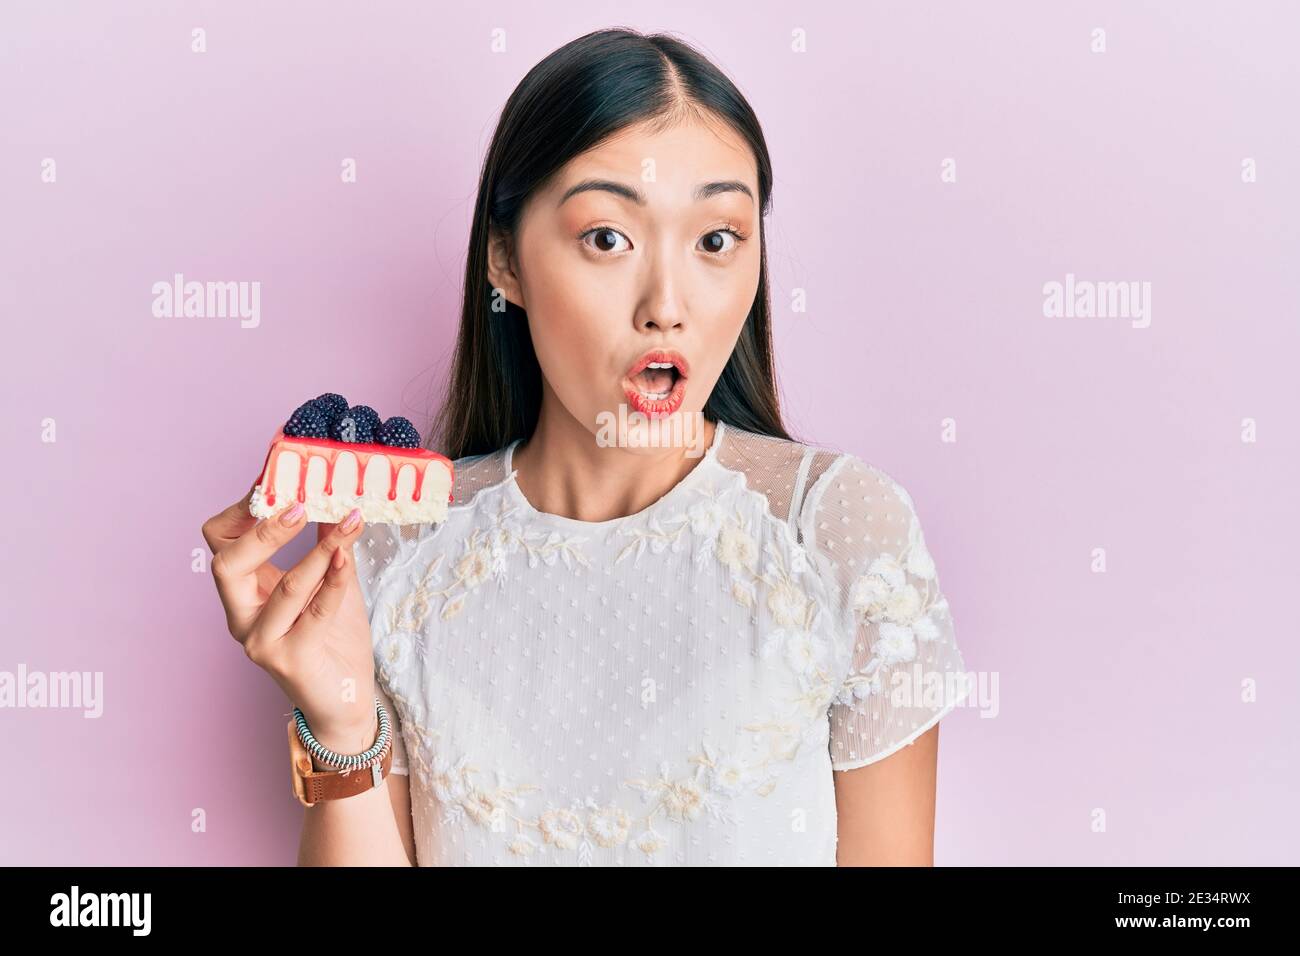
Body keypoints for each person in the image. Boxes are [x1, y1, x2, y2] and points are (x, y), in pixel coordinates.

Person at [201, 27, 970, 867]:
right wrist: (341, 723)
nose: (666, 304)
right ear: (505, 261)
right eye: (608, 237)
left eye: (716, 239)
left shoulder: (836, 531)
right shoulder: (392, 549)